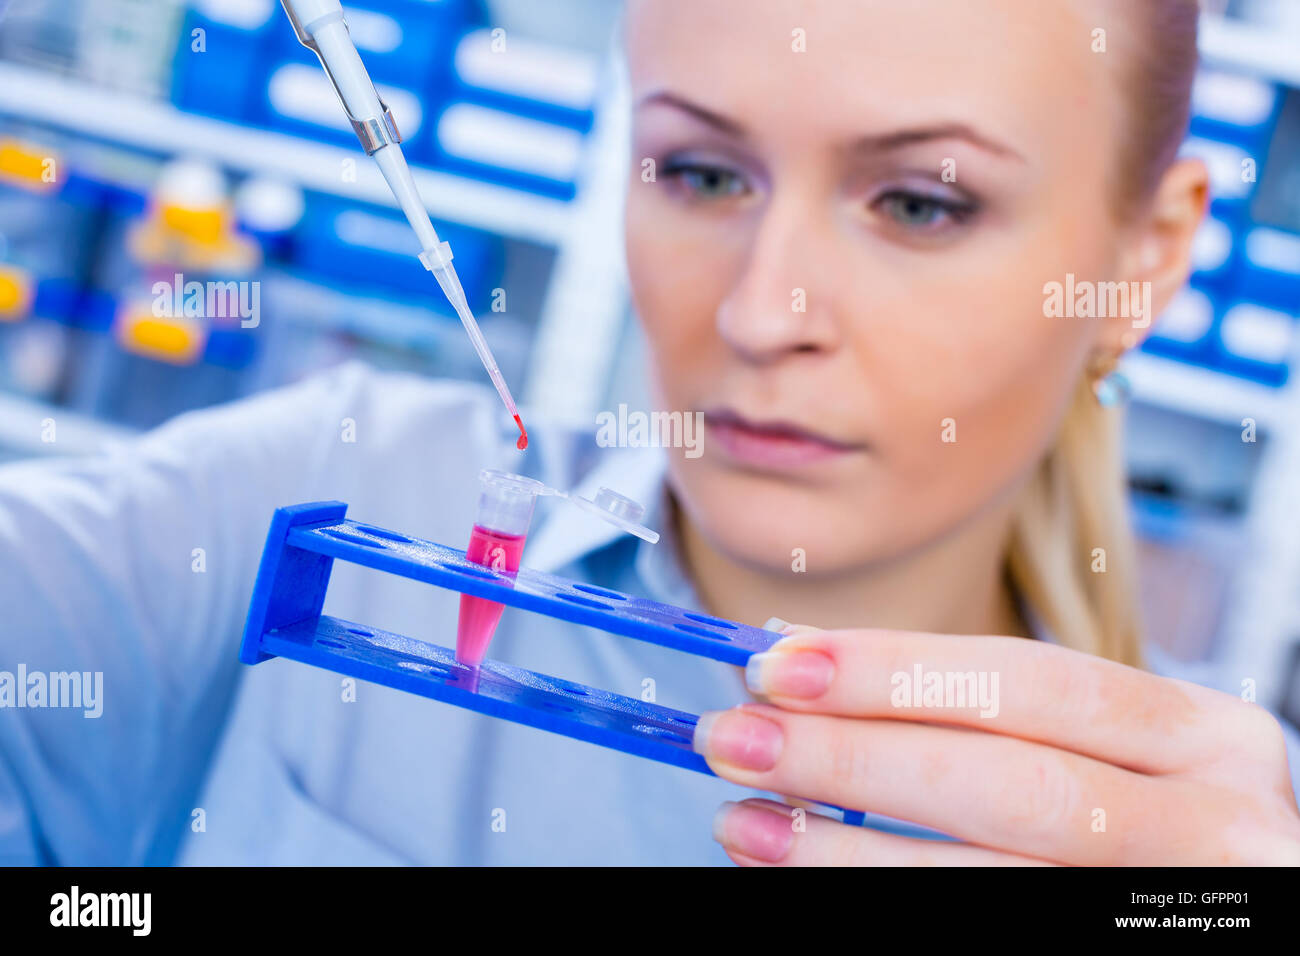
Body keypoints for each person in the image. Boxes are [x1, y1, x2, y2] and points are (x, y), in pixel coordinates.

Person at [2, 0, 1297, 866]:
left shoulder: (1219, 832)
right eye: (701, 174)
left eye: (920, 202)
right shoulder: (322, 492)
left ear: (1144, 263)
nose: (756, 312)